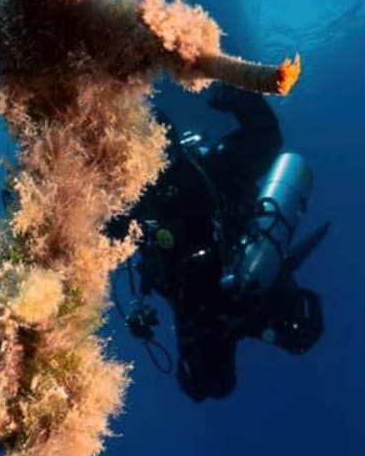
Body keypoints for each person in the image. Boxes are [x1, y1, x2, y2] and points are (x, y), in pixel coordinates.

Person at [110, 84, 328, 402]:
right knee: (203, 386)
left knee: (299, 333)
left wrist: (241, 97)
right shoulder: (136, 204)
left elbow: (266, 138)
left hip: (231, 262)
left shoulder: (212, 167)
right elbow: (99, 240)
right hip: (197, 286)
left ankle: (276, 268)